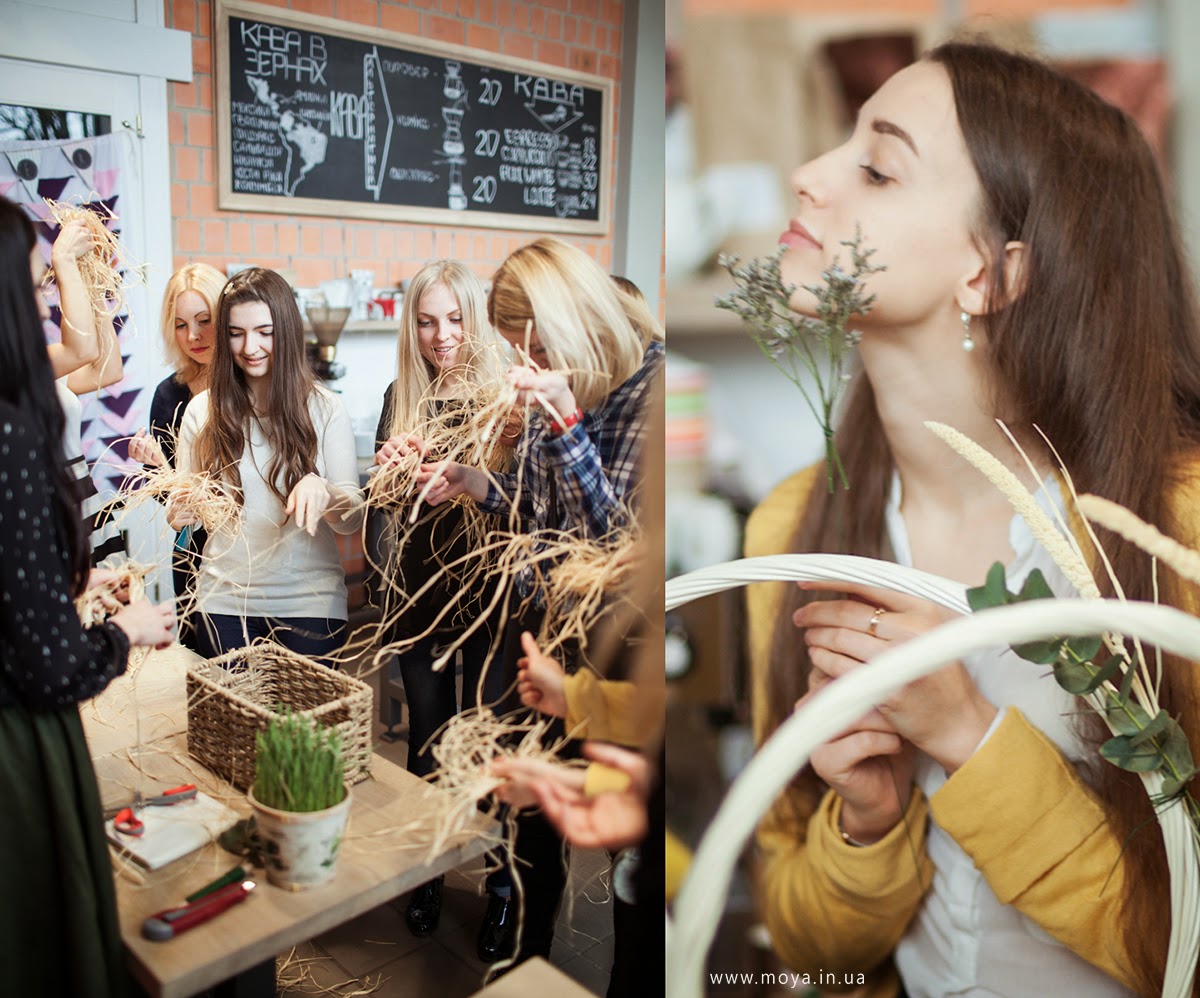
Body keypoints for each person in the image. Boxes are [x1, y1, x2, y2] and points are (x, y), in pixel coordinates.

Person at [744, 42, 1200, 997]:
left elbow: (1185, 954)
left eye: (877, 165)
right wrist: (866, 824)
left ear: (992, 273)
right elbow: (802, 943)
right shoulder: (791, 529)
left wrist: (970, 738)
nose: (809, 176)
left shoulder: (1179, 529)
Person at [415, 238, 664, 965]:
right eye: (519, 351)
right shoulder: (559, 379)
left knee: (628, 846)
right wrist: (472, 481)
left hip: (622, 662)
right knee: (530, 821)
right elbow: (537, 505)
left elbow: (618, 553)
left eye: (539, 349)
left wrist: (566, 427)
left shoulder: (655, 391)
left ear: (578, 320)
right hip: (543, 643)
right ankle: (521, 963)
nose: (531, 366)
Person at [0, 194, 176, 997]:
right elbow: (48, 670)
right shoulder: (8, 434)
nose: (45, 297)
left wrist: (63, 582)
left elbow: (95, 357)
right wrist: (125, 632)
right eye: (34, 282)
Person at [370, 259, 512, 940]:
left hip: (490, 598)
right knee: (426, 744)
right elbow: (387, 506)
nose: (441, 334)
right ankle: (426, 873)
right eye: (427, 321)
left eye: (454, 318)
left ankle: (502, 886)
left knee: (488, 743)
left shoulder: (505, 398)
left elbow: (523, 503)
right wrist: (393, 475)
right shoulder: (403, 395)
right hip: (422, 595)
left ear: (476, 319)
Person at [171, 267, 363, 663]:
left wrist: (324, 490)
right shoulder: (201, 413)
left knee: (304, 727)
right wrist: (179, 513)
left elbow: (351, 519)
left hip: (310, 605)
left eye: (264, 331)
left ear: (287, 330)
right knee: (235, 725)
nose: (250, 347)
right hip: (224, 603)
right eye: (236, 333)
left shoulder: (325, 409)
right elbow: (186, 510)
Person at [128, 262, 226, 650]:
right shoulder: (169, 394)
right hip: (191, 551)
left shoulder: (249, 387)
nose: (193, 336)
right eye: (181, 325)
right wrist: (157, 468)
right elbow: (167, 493)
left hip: (247, 549)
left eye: (204, 320)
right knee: (200, 660)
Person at [45, 217, 126, 564]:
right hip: (51, 508)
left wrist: (93, 282)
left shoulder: (34, 359)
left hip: (80, 498)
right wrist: (64, 261)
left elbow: (106, 369)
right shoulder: (14, 366)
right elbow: (82, 351)